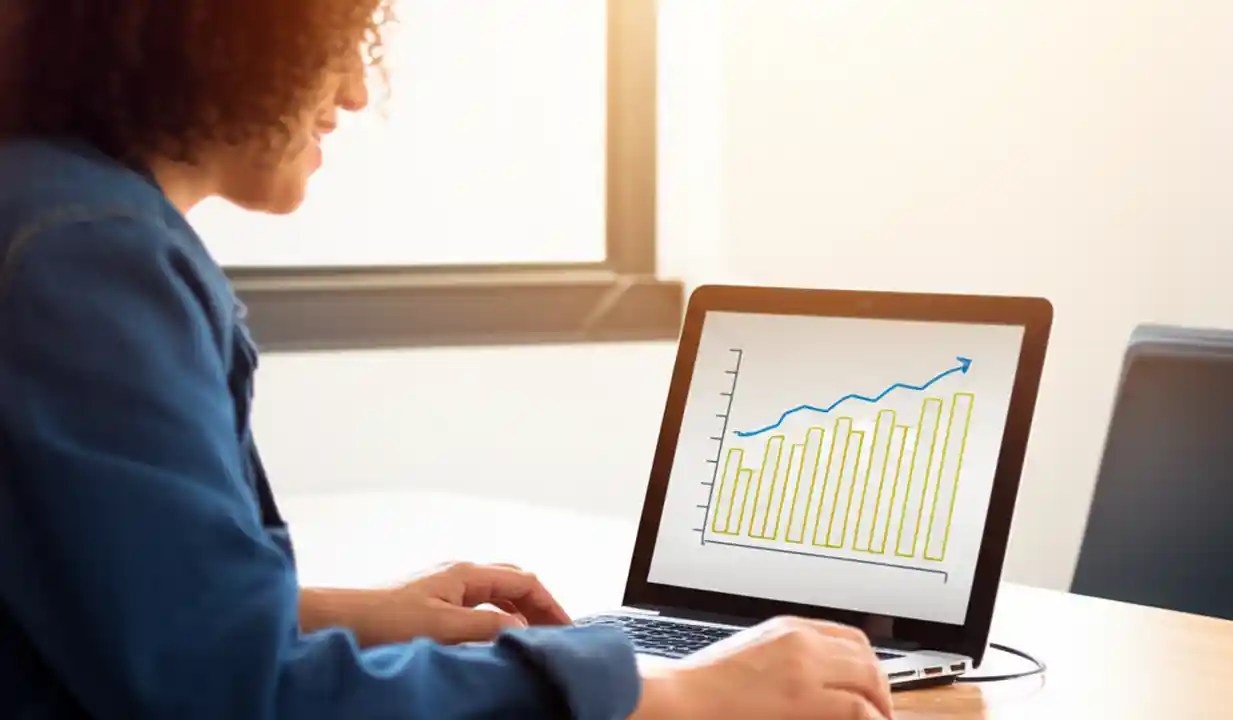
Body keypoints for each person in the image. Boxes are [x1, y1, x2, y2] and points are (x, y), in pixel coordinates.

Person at [0, 2, 893, 718]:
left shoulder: (46, 205)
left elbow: (93, 609)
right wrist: (670, 696)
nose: (353, 90)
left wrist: (355, 616)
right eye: (341, 34)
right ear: (218, 28)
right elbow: (233, 695)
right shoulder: (88, 253)